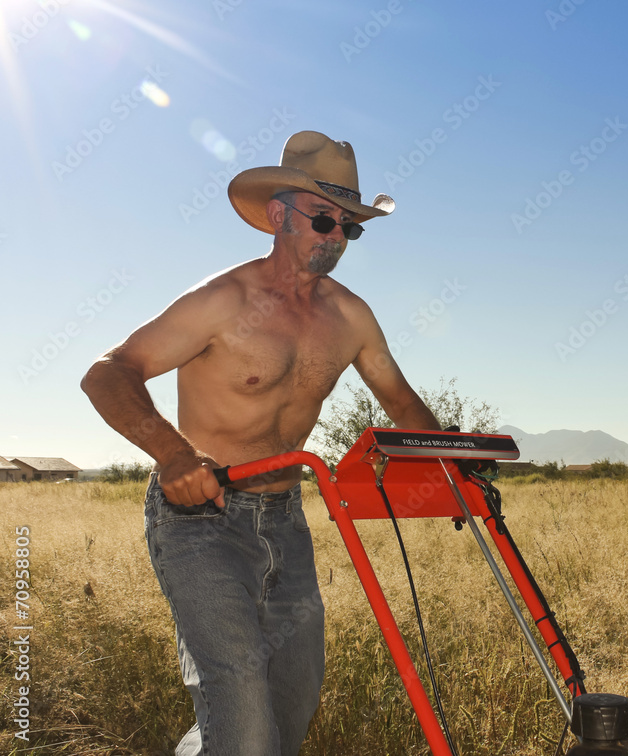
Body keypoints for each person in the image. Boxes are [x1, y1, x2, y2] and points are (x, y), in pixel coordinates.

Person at [81, 131, 441, 755]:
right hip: (202, 522)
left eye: (349, 228)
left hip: (287, 523)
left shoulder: (351, 317)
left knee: (288, 711)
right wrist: (173, 455)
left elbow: (404, 405)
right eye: (324, 218)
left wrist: (444, 455)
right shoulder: (225, 300)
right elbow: (109, 371)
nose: (334, 236)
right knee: (246, 726)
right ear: (279, 215)